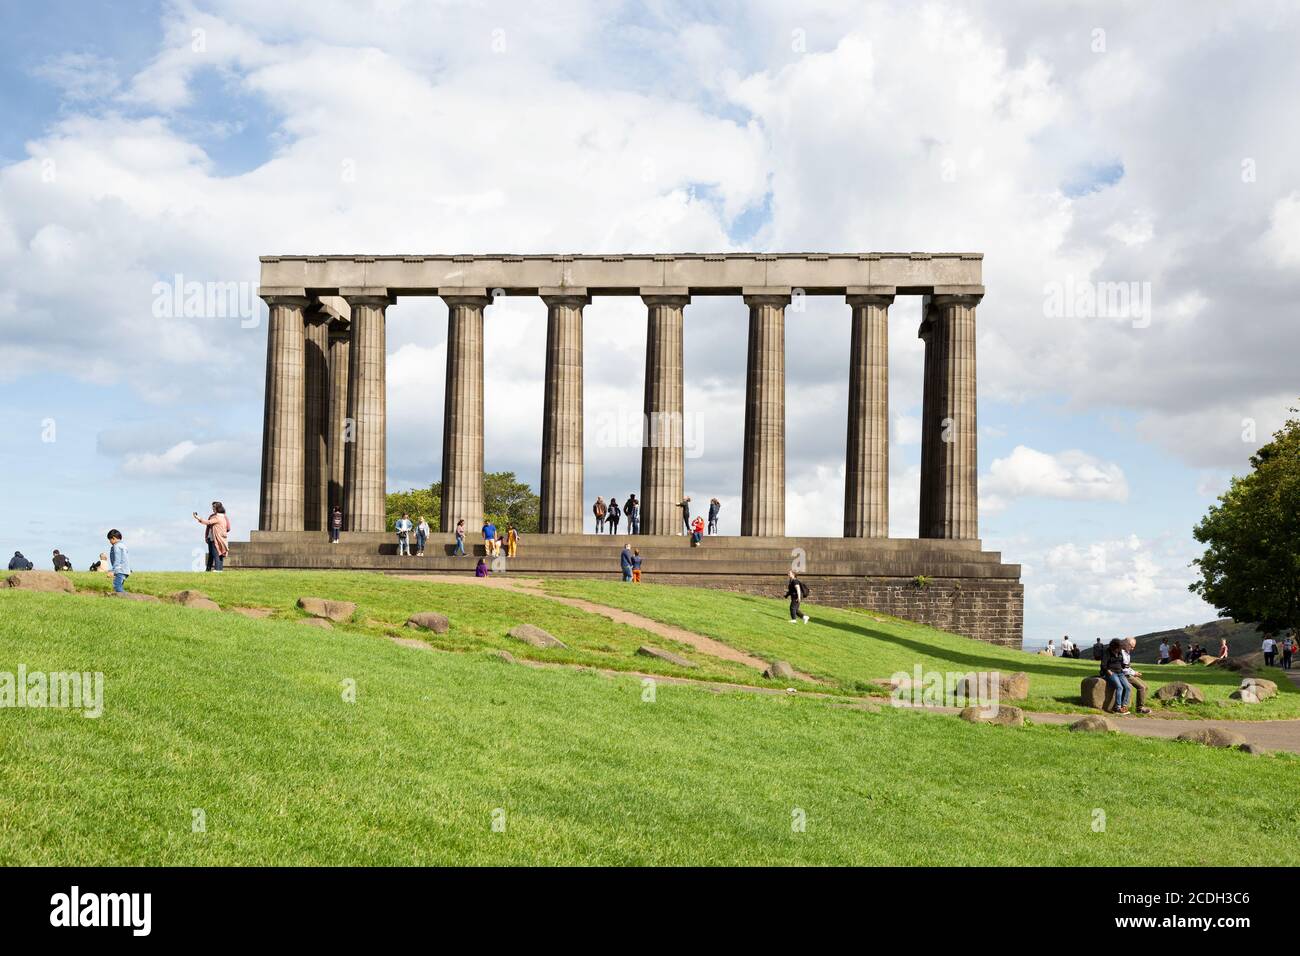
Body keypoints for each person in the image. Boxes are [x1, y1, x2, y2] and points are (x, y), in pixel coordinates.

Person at [194, 501, 230, 572]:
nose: (212, 508)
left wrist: (197, 517)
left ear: (217, 508)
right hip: (217, 537)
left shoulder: (217, 517)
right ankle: (217, 569)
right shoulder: (222, 516)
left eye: (213, 507)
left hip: (216, 538)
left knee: (216, 553)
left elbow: (208, 522)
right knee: (216, 554)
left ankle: (217, 569)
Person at [1101, 638, 1131, 715]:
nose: (1119, 650)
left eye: (1120, 648)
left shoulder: (1120, 652)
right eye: (1118, 648)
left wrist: (1125, 665)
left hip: (1120, 672)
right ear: (1114, 647)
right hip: (1111, 672)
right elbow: (1103, 665)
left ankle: (1124, 706)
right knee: (1119, 687)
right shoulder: (1107, 652)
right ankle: (1117, 708)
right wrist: (1108, 671)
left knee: (1127, 687)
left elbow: (1121, 663)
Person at [1122, 637, 1152, 714]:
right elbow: (1123, 669)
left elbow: (1127, 667)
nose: (1132, 649)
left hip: (1127, 674)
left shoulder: (1126, 652)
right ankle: (1140, 708)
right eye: (1131, 646)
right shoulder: (1122, 653)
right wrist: (1134, 673)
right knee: (1141, 687)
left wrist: (1135, 672)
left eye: (1133, 647)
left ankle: (1141, 706)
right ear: (1126, 644)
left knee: (1145, 686)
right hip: (1123, 675)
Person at [107, 529, 130, 594]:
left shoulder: (116, 546)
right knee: (119, 585)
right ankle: (122, 596)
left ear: (113, 538)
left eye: (110, 540)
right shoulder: (123, 546)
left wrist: (112, 570)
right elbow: (125, 559)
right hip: (125, 570)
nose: (109, 542)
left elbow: (118, 559)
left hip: (120, 570)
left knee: (117, 586)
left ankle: (124, 597)